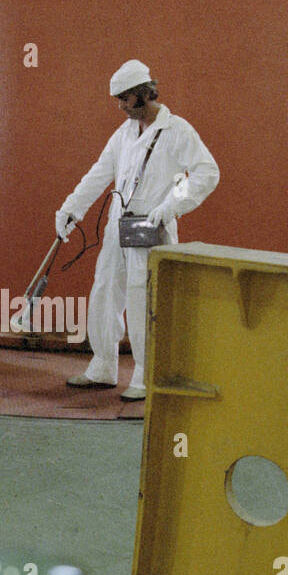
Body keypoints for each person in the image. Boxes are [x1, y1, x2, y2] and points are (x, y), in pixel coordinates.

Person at [55, 59, 219, 401]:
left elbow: (207, 172)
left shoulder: (178, 131)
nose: (121, 107)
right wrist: (71, 208)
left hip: (151, 225)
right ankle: (103, 365)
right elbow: (99, 173)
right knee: (105, 289)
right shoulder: (125, 133)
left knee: (142, 299)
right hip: (119, 225)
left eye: (125, 99)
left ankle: (145, 375)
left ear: (144, 94)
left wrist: (171, 206)